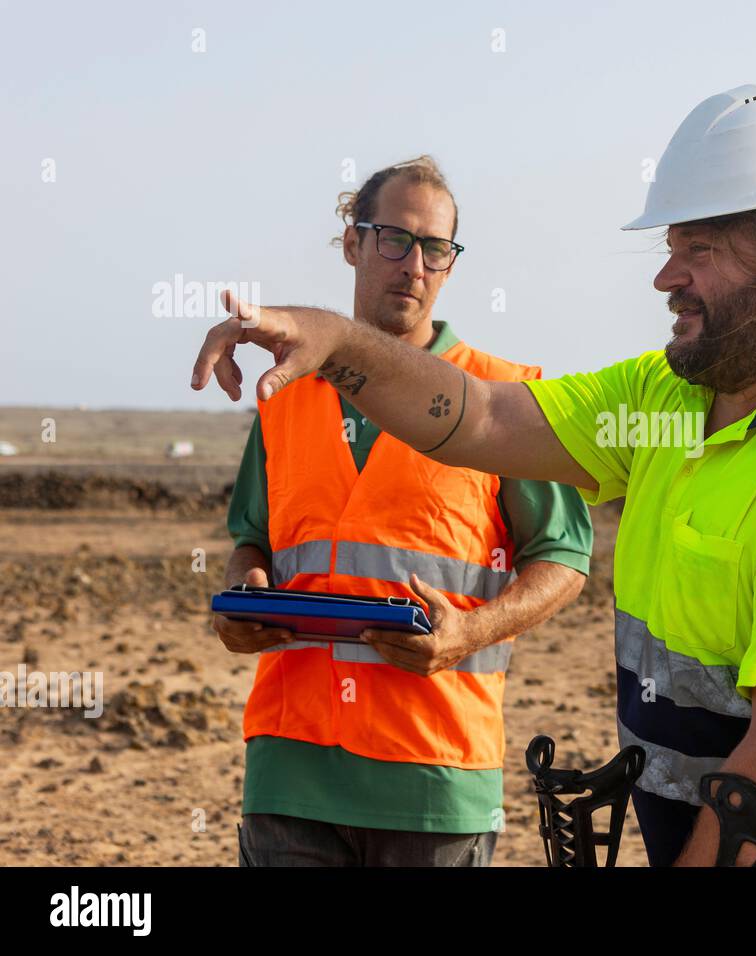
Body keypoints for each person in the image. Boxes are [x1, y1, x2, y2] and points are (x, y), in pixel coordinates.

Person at [194, 85, 756, 867]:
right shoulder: (666, 401)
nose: (666, 278)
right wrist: (330, 339)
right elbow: (483, 419)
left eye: (698, 249)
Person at [210, 156, 592, 867]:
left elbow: (565, 561)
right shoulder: (284, 394)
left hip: (435, 771)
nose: (414, 265)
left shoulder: (503, 399)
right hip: (289, 771)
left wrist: (469, 631)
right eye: (394, 239)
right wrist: (241, 601)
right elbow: (251, 541)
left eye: (435, 247)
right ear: (352, 244)